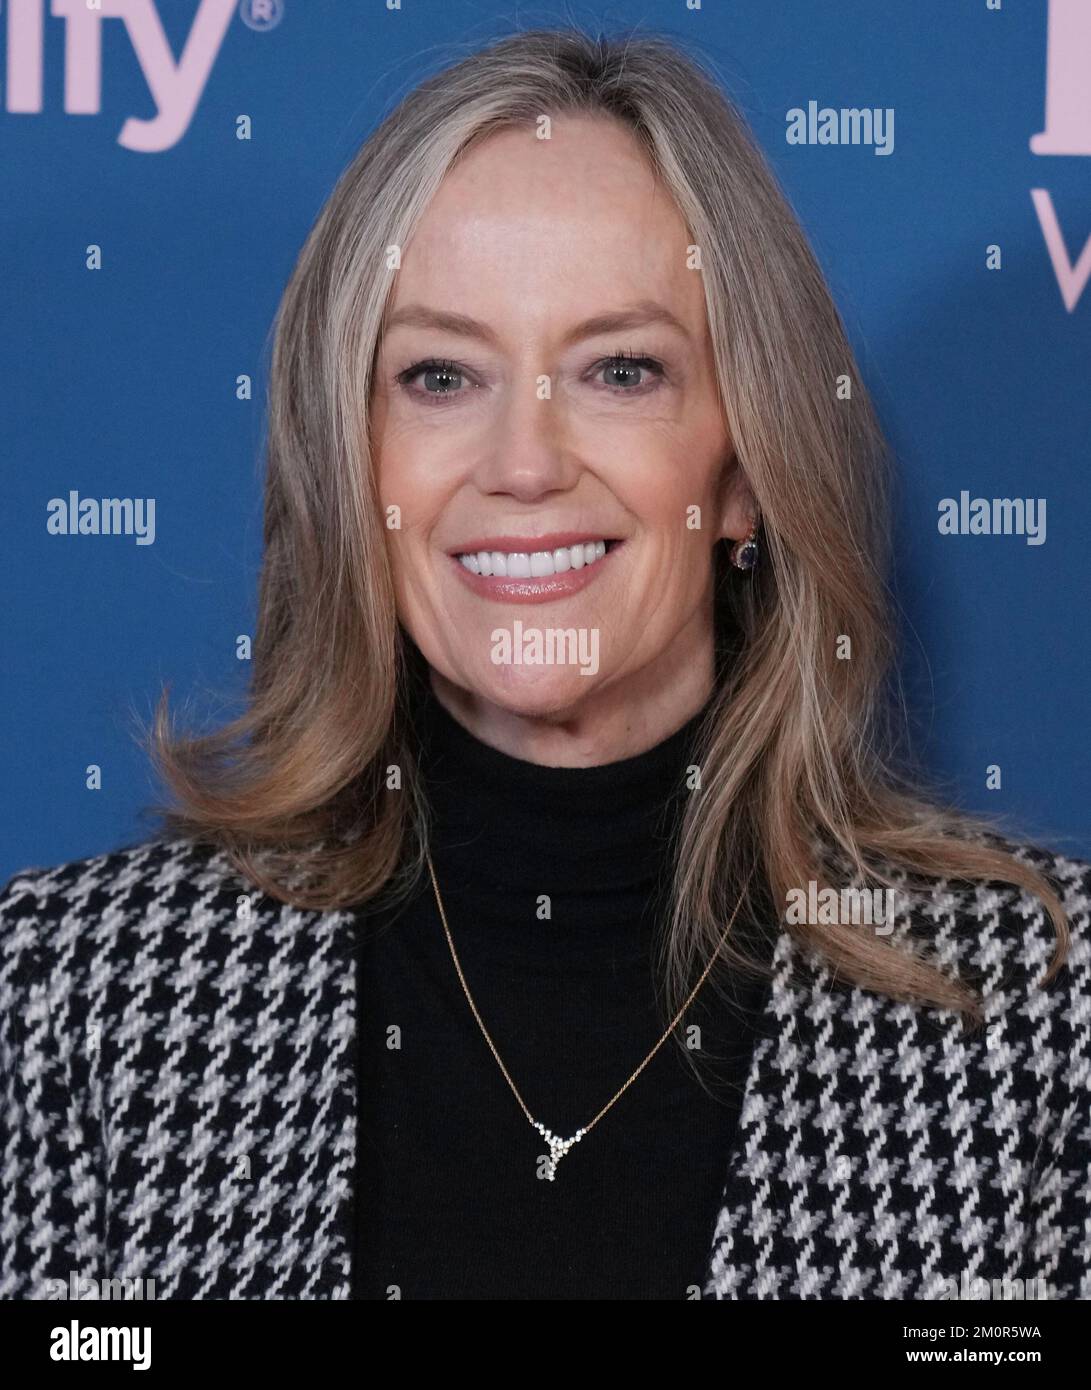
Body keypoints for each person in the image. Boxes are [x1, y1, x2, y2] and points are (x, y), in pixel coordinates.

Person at [1, 27, 1087, 1302]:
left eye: (619, 369)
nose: (524, 462)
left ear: (743, 470)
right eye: (439, 375)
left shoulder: (1044, 1020)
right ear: (354, 461)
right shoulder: (70, 997)